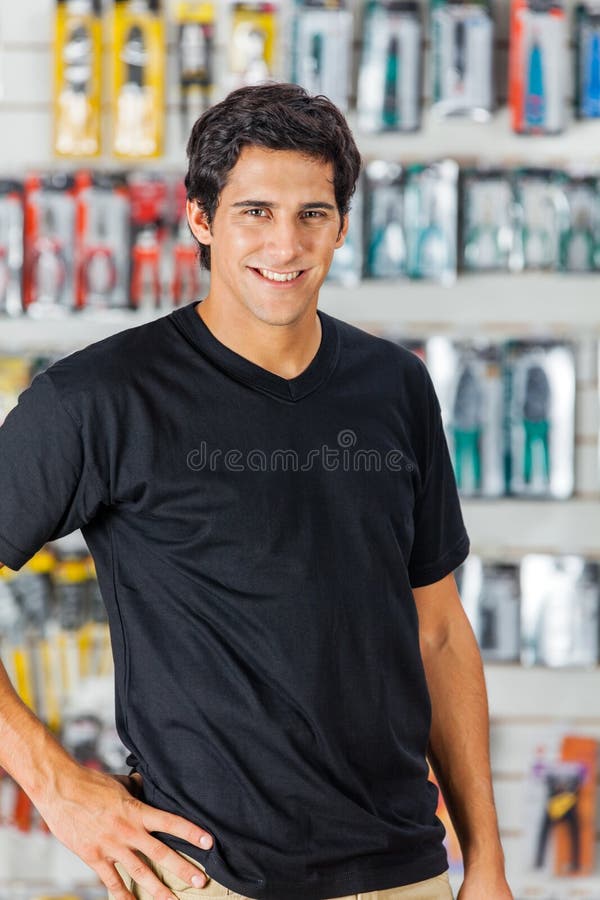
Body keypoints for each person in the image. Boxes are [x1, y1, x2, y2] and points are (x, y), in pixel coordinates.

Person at [0, 82, 512, 900]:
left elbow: (440, 633)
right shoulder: (100, 399)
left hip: (406, 871)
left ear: (342, 225)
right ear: (201, 220)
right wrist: (57, 787)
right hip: (209, 879)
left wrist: (485, 859)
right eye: (255, 212)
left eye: (313, 212)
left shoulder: (395, 387)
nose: (287, 242)